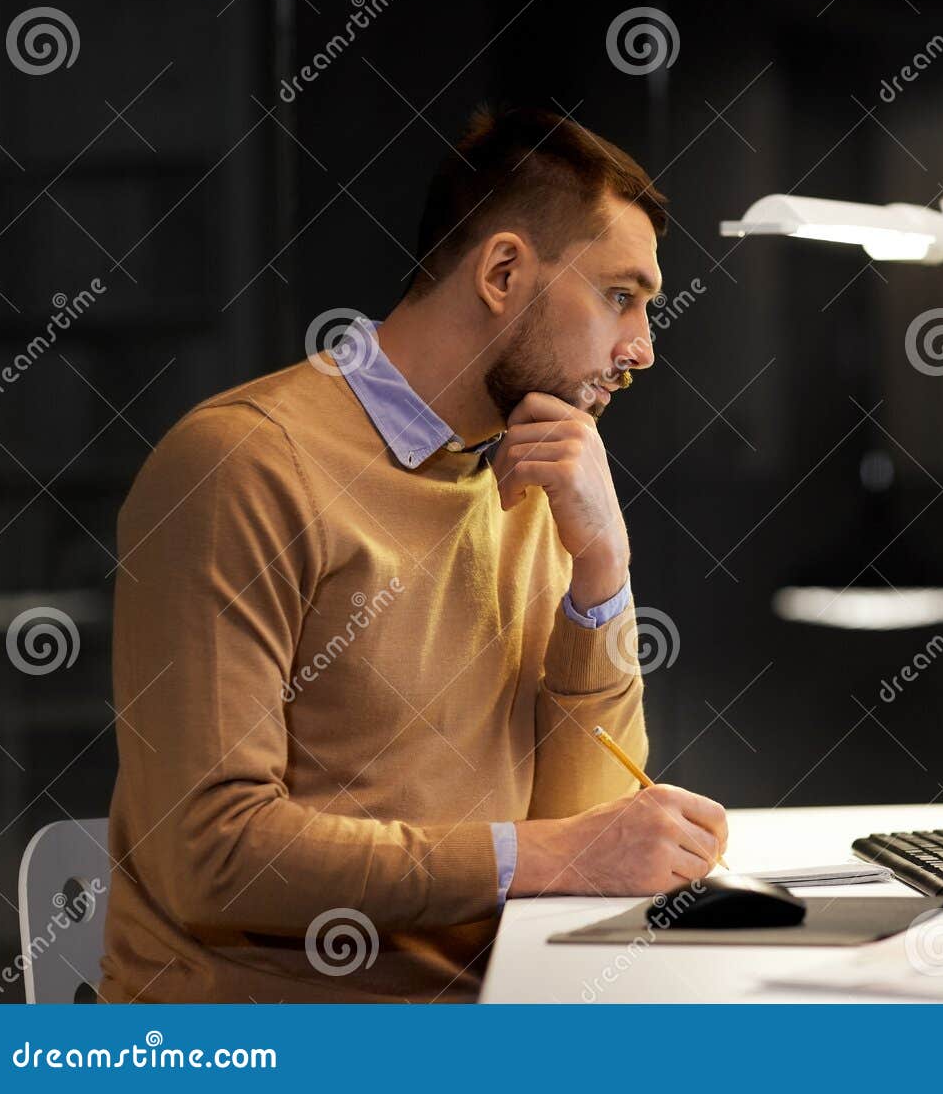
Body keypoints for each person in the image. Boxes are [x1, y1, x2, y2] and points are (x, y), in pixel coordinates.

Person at [99, 106, 727, 1002]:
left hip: (497, 1002)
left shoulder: (536, 473)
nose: (643, 349)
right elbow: (214, 855)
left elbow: (585, 823)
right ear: (502, 273)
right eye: (620, 296)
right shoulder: (240, 465)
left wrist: (602, 574)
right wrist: (549, 855)